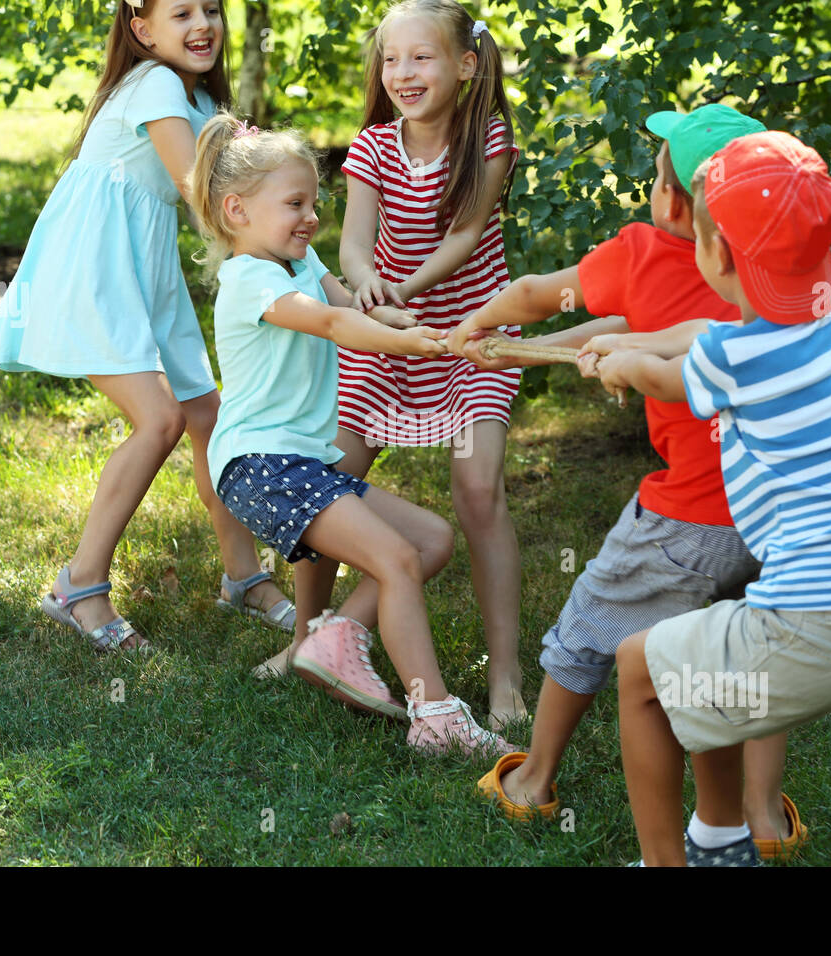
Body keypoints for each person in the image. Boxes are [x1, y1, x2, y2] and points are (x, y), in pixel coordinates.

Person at [448, 104, 806, 861]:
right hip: (781, 516)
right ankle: (764, 821)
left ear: (672, 201)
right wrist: (527, 353)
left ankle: (534, 779)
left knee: (588, 629)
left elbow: (540, 292)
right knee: (753, 653)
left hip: (690, 521)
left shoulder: (639, 252)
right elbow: (625, 332)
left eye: (656, 174)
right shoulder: (779, 270)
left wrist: (481, 325)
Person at [596, 130, 831, 865]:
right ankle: (720, 838)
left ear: (712, 254)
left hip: (821, 622)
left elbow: (669, 373)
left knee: (638, 669)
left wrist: (620, 360)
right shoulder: (826, 328)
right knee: (697, 656)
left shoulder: (733, 357)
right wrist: (634, 352)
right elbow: (703, 338)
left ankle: (662, 864)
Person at [0, 0, 297, 652]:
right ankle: (79, 585)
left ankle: (243, 576)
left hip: (145, 274)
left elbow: (252, 188)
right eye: (181, 13)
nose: (203, 24)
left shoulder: (200, 103)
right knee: (160, 420)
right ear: (142, 30)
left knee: (209, 418)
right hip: (93, 268)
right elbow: (200, 189)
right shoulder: (153, 83)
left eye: (211, 8)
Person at [189, 111, 513, 755]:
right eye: (294, 204)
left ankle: (330, 640)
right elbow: (335, 328)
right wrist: (405, 341)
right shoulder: (250, 278)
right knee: (395, 560)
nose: (310, 217)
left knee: (429, 540)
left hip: (298, 463)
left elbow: (352, 307)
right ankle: (437, 718)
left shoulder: (298, 259)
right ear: (237, 211)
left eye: (313, 202)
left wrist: (424, 325)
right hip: (260, 468)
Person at [254, 0, 527, 731]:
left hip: (468, 340)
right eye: (391, 59)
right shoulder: (373, 144)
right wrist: (370, 289)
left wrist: (401, 292)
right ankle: (311, 638)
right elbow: (351, 245)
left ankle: (506, 672)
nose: (402, 72)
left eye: (421, 57)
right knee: (327, 486)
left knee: (477, 491)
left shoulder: (488, 139)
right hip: (384, 340)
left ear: (465, 66)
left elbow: (467, 236)